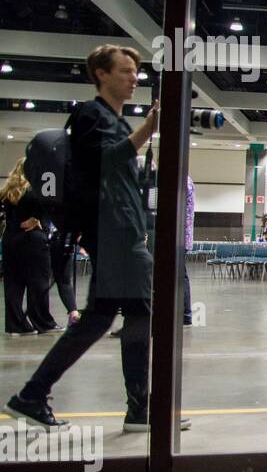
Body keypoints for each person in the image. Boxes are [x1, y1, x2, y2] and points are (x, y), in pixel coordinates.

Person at [4, 44, 191, 432]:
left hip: (118, 230)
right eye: (124, 70)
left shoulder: (113, 120)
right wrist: (150, 127)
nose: (133, 78)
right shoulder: (90, 115)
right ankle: (138, 411)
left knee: (100, 318)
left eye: (135, 71)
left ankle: (34, 395)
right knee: (138, 313)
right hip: (114, 233)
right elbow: (109, 160)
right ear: (101, 74)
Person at [2, 158, 60, 335]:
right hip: (33, 241)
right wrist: (37, 220)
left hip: (10, 240)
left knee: (13, 284)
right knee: (38, 282)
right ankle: (43, 322)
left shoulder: (6, 192)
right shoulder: (36, 190)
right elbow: (51, 207)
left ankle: (16, 325)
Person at [183, 174, 195, 325]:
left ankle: (185, 314)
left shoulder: (183, 181)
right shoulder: (187, 180)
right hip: (182, 237)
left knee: (180, 276)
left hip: (179, 237)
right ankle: (185, 314)